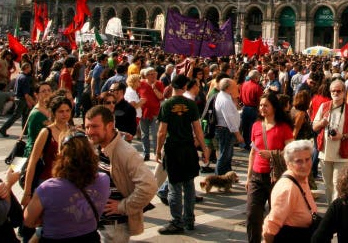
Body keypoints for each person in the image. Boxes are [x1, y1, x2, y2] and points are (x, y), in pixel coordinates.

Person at [84, 105, 157, 242]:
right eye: (87, 127)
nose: (89, 131)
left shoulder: (126, 152)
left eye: (94, 126)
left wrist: (122, 206)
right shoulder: (98, 145)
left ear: (109, 126)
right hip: (99, 224)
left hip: (114, 228)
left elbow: (149, 186)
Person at [23, 131, 109, 242]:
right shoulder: (103, 180)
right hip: (90, 237)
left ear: (60, 154)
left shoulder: (48, 188)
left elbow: (28, 221)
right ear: (91, 153)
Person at [155, 74, 209, 234]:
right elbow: (198, 129)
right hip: (188, 148)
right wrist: (205, 148)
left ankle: (177, 221)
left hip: (173, 148)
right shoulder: (191, 104)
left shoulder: (167, 104)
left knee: (175, 186)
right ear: (185, 87)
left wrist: (158, 150)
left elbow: (161, 132)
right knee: (189, 185)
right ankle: (189, 219)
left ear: (172, 86)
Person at [246, 92, 294, 243]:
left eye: (266, 105)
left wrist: (272, 154)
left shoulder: (283, 127)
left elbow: (292, 152)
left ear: (274, 107)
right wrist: (248, 177)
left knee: (276, 216)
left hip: (276, 177)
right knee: (252, 215)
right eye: (260, 105)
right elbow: (253, 152)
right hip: (257, 176)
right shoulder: (256, 126)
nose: (262, 108)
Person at [22, 96, 76, 208]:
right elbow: (32, 162)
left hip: (68, 182)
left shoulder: (73, 131)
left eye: (67, 111)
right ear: (54, 113)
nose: (65, 114)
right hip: (47, 181)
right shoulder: (46, 132)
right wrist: (27, 192)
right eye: (61, 111)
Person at [313, 78, 348, 204]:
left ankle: (335, 211)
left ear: (344, 92)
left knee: (337, 184)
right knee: (328, 185)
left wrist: (342, 136)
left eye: (338, 91)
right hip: (325, 153)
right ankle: (331, 208)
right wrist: (321, 123)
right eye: (333, 91)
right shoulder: (324, 106)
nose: (335, 93)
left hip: (342, 154)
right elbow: (314, 127)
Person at [262, 140, 318, 242]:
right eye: (299, 161)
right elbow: (270, 227)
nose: (304, 165)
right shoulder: (288, 189)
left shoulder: (301, 177)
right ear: (288, 163)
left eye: (307, 159)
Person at [214, 77, 245, 175]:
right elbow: (229, 119)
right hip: (226, 130)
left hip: (226, 130)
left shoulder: (226, 97)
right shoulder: (225, 100)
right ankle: (219, 177)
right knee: (225, 155)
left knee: (227, 155)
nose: (236, 88)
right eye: (234, 86)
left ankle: (227, 175)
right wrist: (238, 134)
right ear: (228, 88)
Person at [0, 62, 37, 137]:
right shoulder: (25, 78)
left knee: (25, 115)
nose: (30, 69)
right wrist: (30, 102)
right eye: (29, 67)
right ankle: (3, 128)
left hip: (19, 98)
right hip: (22, 99)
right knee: (16, 115)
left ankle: (25, 131)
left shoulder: (19, 76)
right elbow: (26, 94)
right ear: (26, 68)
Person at [136, 67, 163, 161]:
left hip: (155, 113)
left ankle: (156, 154)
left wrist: (154, 88)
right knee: (144, 135)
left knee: (155, 134)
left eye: (154, 73)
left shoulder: (159, 83)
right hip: (143, 113)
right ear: (146, 76)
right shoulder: (141, 83)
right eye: (150, 74)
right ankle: (146, 153)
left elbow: (161, 97)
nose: (153, 76)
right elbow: (136, 95)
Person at [241, 70, 263, 149]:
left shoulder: (244, 84)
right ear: (256, 77)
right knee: (252, 128)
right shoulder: (257, 87)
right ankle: (250, 144)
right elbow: (260, 101)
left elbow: (241, 96)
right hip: (253, 109)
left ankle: (245, 144)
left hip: (245, 108)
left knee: (245, 127)